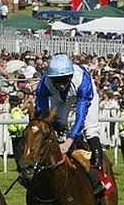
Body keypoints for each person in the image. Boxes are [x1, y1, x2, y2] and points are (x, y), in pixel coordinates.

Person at [34, 54, 105, 197]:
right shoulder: (44, 84)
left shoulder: (82, 81)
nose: (61, 84)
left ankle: (98, 169)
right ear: (50, 77)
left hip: (82, 94)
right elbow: (41, 115)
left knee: (90, 128)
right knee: (59, 126)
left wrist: (68, 142)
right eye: (57, 80)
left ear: (71, 76)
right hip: (59, 99)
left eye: (64, 79)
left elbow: (80, 117)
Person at [7, 95, 26, 167]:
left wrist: (21, 132)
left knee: (18, 156)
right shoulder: (17, 111)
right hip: (17, 135)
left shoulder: (15, 112)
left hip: (18, 136)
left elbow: (20, 124)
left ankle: (22, 172)